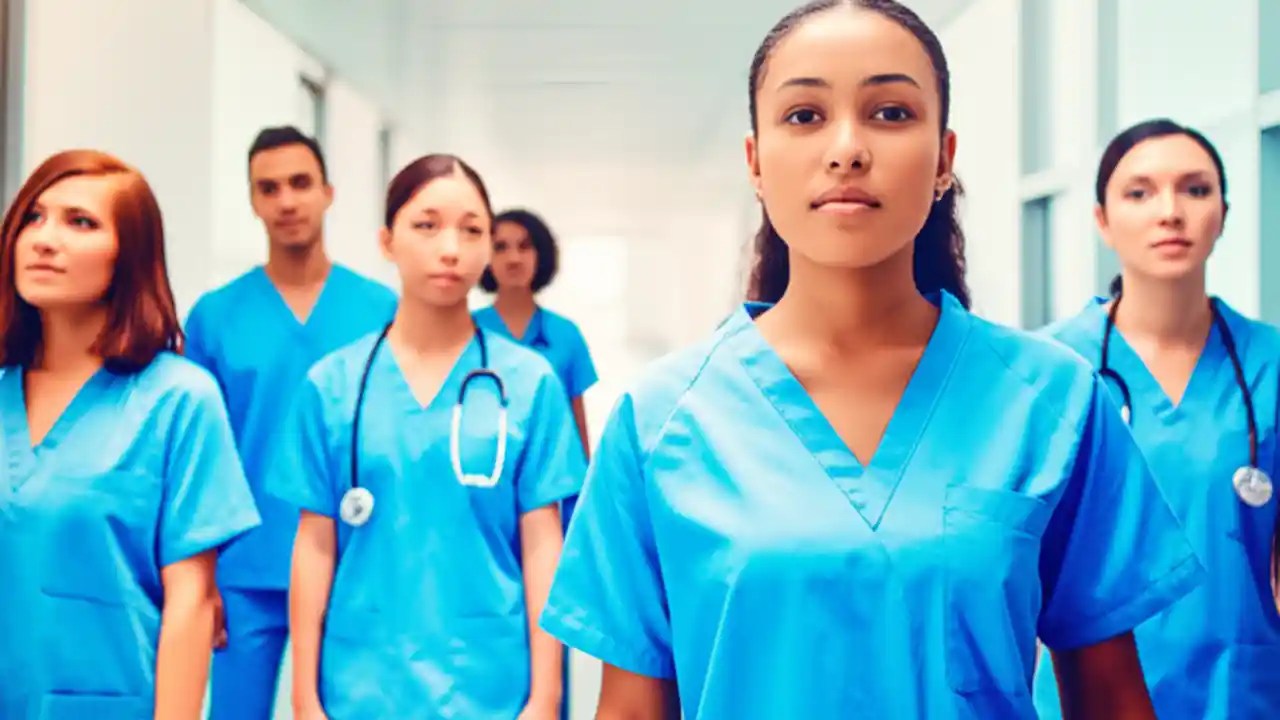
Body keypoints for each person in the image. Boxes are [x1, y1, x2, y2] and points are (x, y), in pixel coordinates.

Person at [538, 2, 1205, 718]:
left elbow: (1111, 699)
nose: (848, 148)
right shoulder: (659, 422)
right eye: (804, 116)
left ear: (944, 158)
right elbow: (632, 710)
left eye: (890, 112)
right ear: (755, 162)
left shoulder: (1053, 402)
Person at [269, 153, 586, 718]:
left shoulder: (529, 384)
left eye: (472, 230)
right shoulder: (333, 386)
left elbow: (543, 545)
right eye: (427, 225)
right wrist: (304, 697)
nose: (451, 248)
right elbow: (314, 546)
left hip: (491, 687)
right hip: (360, 686)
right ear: (387, 242)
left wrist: (546, 696)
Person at [1031, 119, 1280, 719]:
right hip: (1080, 702)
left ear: (1224, 212)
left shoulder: (1271, 364)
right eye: (1139, 193)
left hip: (1243, 694)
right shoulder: (1047, 371)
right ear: (1102, 219)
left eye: (1195, 190)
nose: (1170, 211)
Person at [0, 149, 260, 718]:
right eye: (33, 217)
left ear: (130, 256)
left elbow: (190, 604)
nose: (45, 239)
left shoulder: (177, 400)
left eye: (80, 222)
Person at [183, 126, 398, 719]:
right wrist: (200, 580)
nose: (286, 201)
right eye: (269, 188)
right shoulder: (215, 317)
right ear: (252, 201)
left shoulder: (381, 311)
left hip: (353, 562)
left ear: (328, 193)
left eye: (300, 184)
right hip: (242, 570)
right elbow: (194, 459)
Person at [472, 208, 595, 720]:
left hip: (551, 507)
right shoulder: (469, 332)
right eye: (500, 246)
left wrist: (582, 520)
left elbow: (577, 439)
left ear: (541, 256)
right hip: (484, 506)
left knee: (548, 630)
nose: (513, 257)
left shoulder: (563, 338)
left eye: (524, 246)